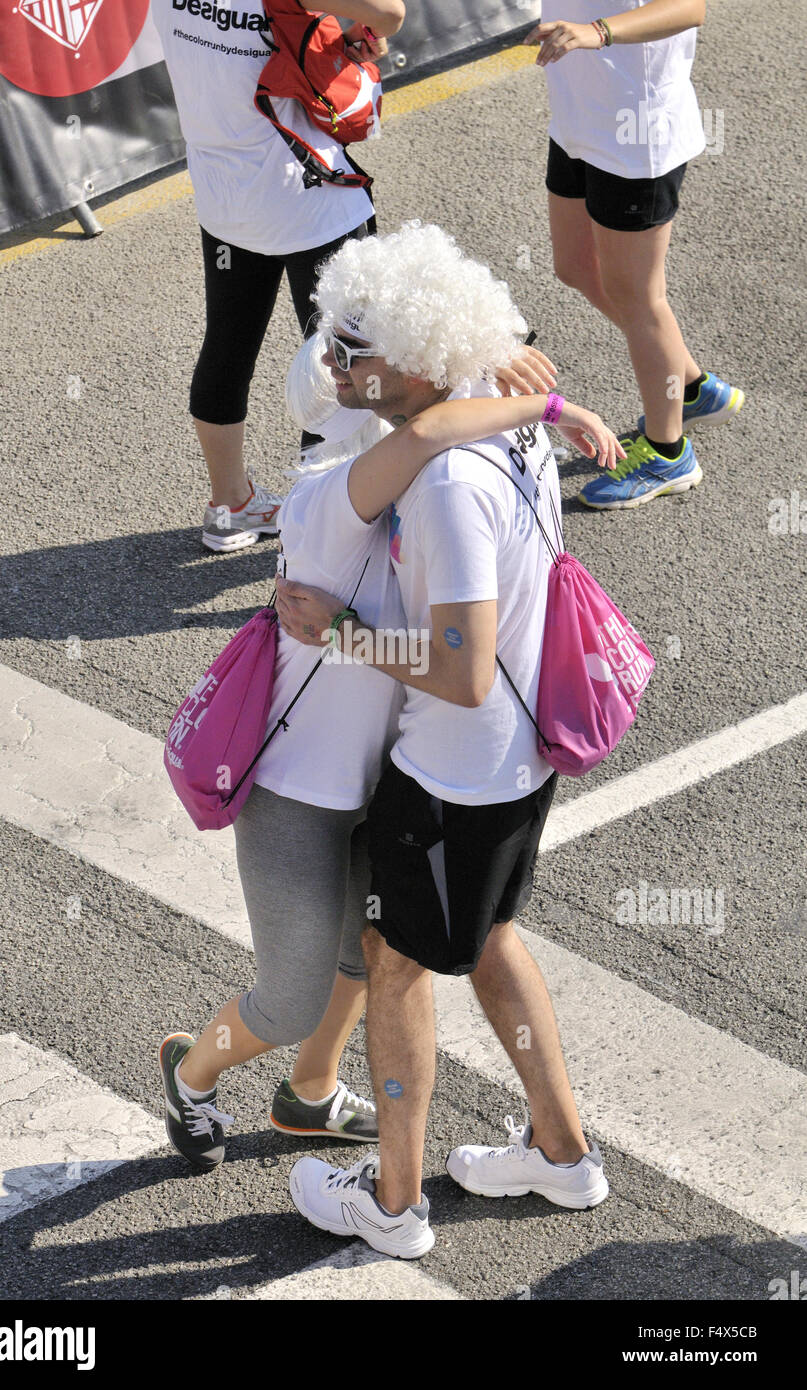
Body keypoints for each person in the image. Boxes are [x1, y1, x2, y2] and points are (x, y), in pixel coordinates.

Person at [159, 322, 597, 1171]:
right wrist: (531, 392)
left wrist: (477, 356)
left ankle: (310, 1094)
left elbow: (425, 392)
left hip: (389, 779)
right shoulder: (331, 499)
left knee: (368, 958)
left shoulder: (426, 481)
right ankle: (193, 1069)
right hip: (302, 790)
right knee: (289, 996)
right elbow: (431, 423)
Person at [273, 222, 623, 1259]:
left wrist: (335, 632)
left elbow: (462, 668)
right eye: (330, 340)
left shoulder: (445, 483)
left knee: (393, 965)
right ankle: (560, 1153)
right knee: (488, 938)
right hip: (513, 764)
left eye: (355, 352)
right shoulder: (489, 412)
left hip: (451, 773)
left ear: (426, 356)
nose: (333, 367)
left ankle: (390, 1203)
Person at [149, 0, 405, 551]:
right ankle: (328, 525)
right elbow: (390, 14)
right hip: (312, 199)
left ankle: (229, 507)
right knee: (343, 362)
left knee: (227, 346)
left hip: (225, 200)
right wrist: (357, 29)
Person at [523, 0, 744, 509]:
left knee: (640, 299)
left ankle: (669, 454)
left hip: (638, 138)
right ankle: (689, 385)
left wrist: (596, 32)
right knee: (575, 266)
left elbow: (691, 8)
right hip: (579, 119)